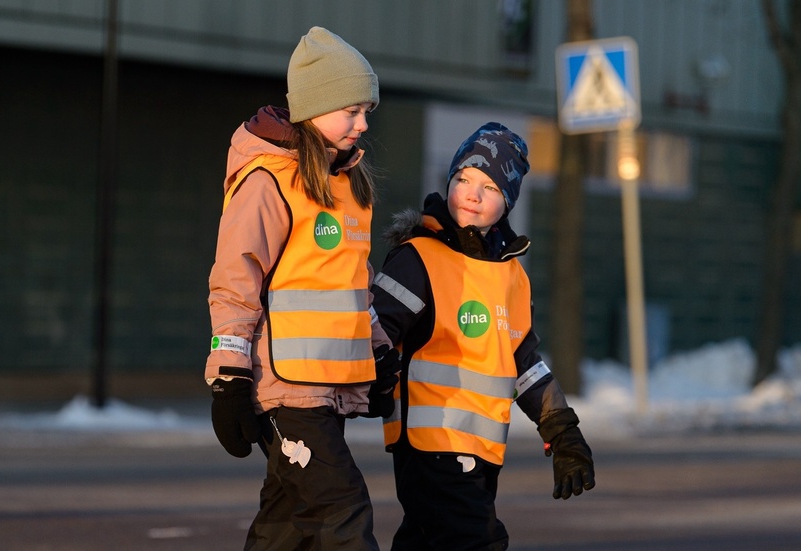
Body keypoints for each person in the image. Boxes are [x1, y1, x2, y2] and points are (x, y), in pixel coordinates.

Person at [204, 26, 399, 551]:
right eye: (350, 111)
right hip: (286, 389)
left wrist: (379, 356)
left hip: (328, 387)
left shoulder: (348, 185)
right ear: (313, 107)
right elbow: (234, 284)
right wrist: (228, 378)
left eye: (367, 112)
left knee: (286, 529)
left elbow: (353, 288)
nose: (362, 125)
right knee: (344, 514)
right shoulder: (268, 181)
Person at [371, 122, 595, 550]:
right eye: (463, 179)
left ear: (507, 202)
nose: (471, 194)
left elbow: (523, 364)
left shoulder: (510, 275)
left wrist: (562, 429)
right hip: (429, 445)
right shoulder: (418, 258)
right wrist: (368, 378)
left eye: (489, 187)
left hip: (482, 453)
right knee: (477, 542)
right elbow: (374, 330)